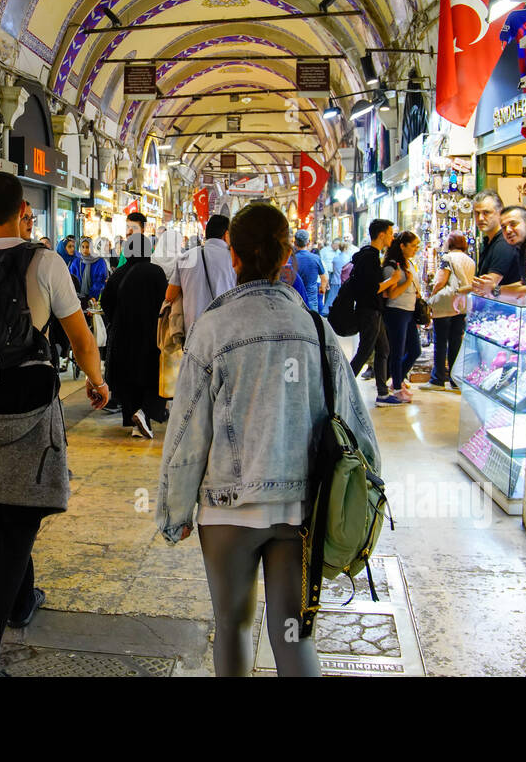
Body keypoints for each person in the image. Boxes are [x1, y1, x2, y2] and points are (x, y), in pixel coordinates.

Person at [156, 202, 376, 677]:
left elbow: (187, 430)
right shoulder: (316, 330)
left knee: (232, 626)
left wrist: (174, 511)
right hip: (300, 510)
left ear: (233, 256)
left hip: (226, 509)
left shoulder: (211, 329)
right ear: (286, 257)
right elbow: (357, 426)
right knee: (294, 636)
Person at [0, 171, 110, 678]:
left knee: (3, 513)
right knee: (18, 529)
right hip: (30, 405)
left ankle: (21, 598)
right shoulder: (46, 262)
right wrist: (96, 381)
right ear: (23, 208)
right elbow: (81, 339)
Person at [101, 232, 169, 439]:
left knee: (128, 379)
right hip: (150, 337)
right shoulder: (156, 272)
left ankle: (135, 420)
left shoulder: (118, 274)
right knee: (151, 377)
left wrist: (118, 319)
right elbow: (165, 303)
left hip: (123, 336)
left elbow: (106, 303)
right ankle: (144, 414)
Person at [348, 219, 402, 405]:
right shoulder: (370, 257)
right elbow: (372, 288)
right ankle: (341, 387)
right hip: (369, 310)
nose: (392, 237)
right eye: (390, 233)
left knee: (383, 349)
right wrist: (393, 279)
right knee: (365, 352)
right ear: (381, 235)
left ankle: (383, 393)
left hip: (373, 310)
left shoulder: (368, 255)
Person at [165, 214, 237, 337]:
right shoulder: (233, 259)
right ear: (226, 234)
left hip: (193, 332)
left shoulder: (186, 257)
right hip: (224, 331)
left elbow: (170, 295)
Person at [421, 232, 475, 391]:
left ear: (450, 243)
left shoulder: (447, 258)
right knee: (455, 343)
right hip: (462, 304)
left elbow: (440, 281)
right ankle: (455, 380)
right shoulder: (470, 260)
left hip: (446, 304)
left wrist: (431, 295)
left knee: (440, 343)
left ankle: (437, 379)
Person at [380, 231, 422, 403]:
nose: (415, 249)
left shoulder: (408, 263)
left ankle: (398, 380)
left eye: (417, 246)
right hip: (396, 311)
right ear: (402, 246)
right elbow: (392, 293)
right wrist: (406, 282)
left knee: (415, 350)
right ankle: (397, 387)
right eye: (412, 246)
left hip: (409, 311)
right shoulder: (392, 266)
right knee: (397, 351)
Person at [470, 189, 524, 297]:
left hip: (505, 310)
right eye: (477, 213)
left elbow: (485, 288)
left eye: (486, 212)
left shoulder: (504, 243)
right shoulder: (490, 241)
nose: (480, 218)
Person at [288, 231, 328, 312]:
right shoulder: (315, 258)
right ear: (308, 243)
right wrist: (322, 289)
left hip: (294, 299)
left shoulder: (290, 260)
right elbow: (324, 278)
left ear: (295, 243)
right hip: (311, 301)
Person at [68, 237, 110, 307]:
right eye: (83, 247)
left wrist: (92, 296)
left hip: (96, 299)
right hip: (78, 299)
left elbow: (100, 281)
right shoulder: (76, 262)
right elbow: (71, 279)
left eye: (87, 247)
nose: (85, 250)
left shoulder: (99, 261)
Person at [323, 238, 348, 314]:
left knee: (331, 298)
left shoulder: (335, 258)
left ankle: (327, 311)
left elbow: (334, 269)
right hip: (344, 281)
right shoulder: (348, 258)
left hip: (335, 280)